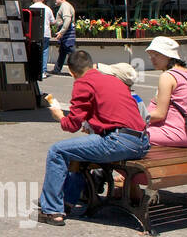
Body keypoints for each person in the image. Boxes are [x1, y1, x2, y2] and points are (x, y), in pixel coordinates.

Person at [36, 49, 149, 226]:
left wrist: (59, 116)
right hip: (142, 141)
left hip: (118, 141)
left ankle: (52, 211)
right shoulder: (113, 80)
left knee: (57, 151)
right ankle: (64, 201)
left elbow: (71, 126)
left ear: (72, 72)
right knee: (78, 152)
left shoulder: (83, 83)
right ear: (91, 64)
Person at [143, 36, 187, 148]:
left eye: (156, 54)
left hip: (172, 133)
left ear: (169, 55)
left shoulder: (167, 76)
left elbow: (160, 114)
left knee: (123, 135)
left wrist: (134, 118)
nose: (152, 58)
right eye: (150, 55)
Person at [48, 0, 76, 75]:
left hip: (67, 32)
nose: (55, 0)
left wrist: (61, 32)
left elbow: (67, 19)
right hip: (66, 31)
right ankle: (57, 69)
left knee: (71, 52)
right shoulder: (65, 5)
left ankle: (77, 70)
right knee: (63, 51)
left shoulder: (65, 6)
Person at [28, 0, 54, 80]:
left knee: (33, 51)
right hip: (45, 33)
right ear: (42, 0)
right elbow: (52, 21)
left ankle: (33, 70)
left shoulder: (30, 8)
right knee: (44, 51)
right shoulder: (48, 8)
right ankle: (43, 71)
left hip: (33, 33)